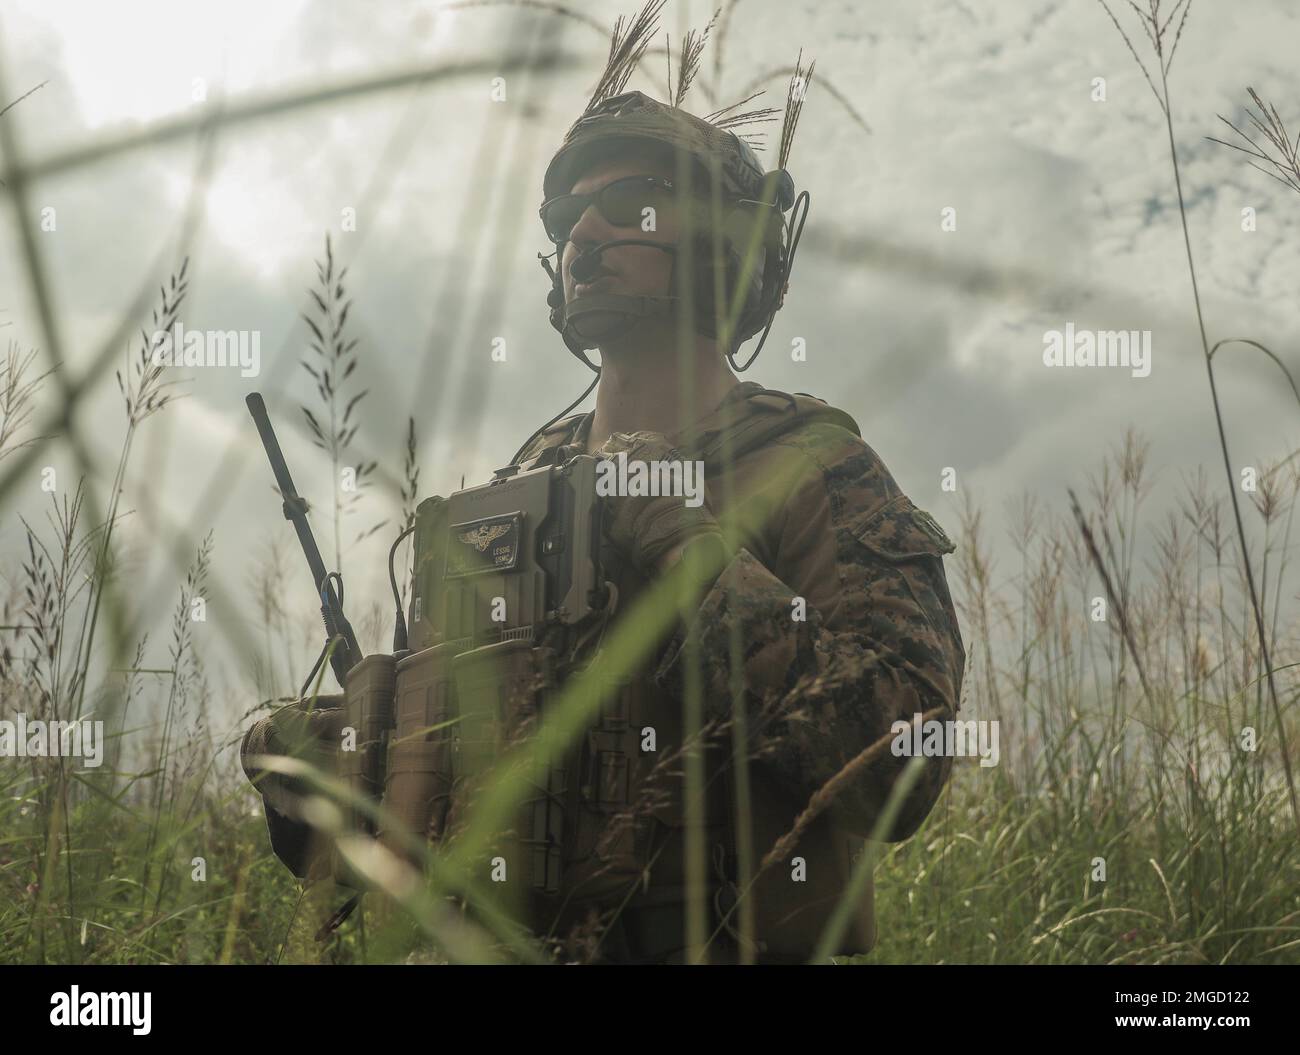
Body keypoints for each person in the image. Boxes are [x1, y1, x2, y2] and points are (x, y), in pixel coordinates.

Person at [242, 3, 966, 964]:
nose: (582, 230)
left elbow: (903, 762)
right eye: (564, 215)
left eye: (630, 204)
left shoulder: (813, 467)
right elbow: (442, 798)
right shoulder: (518, 491)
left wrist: (681, 546)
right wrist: (333, 768)